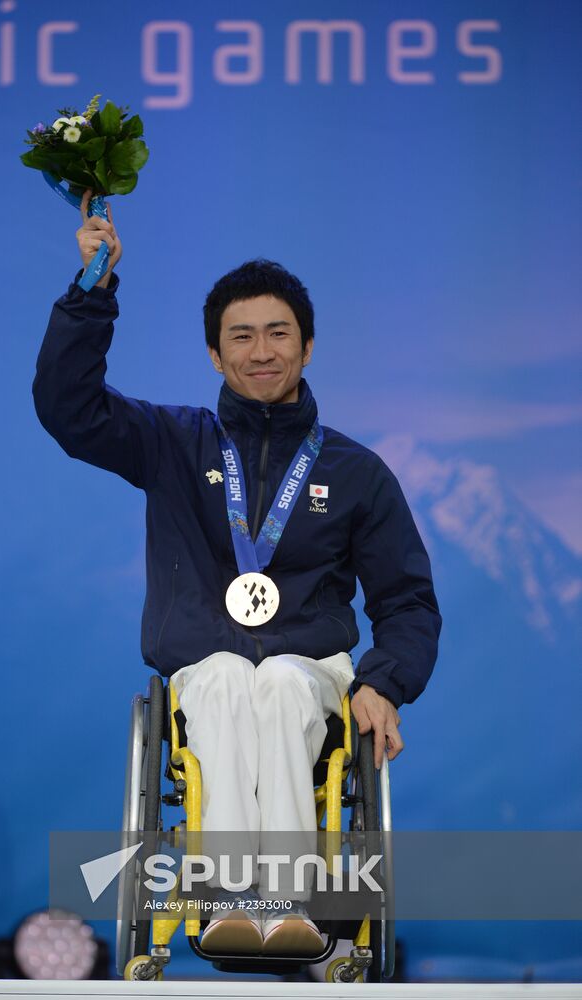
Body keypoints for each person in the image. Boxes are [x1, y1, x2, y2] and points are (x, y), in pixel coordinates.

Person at [33, 191, 442, 957]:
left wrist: (385, 680)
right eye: (241, 337)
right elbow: (67, 408)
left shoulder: (357, 472)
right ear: (215, 356)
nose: (262, 351)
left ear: (308, 346)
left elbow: (407, 600)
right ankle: (229, 901)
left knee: (282, 683)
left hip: (310, 668)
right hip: (206, 662)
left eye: (278, 333)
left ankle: (285, 906)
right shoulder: (172, 441)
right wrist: (92, 289)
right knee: (221, 679)